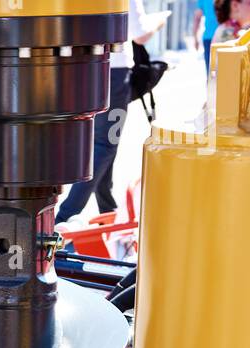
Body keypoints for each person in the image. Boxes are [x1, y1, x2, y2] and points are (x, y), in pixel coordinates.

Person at [56, 0, 167, 224]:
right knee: (105, 144)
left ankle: (108, 210)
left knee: (100, 144)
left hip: (80, 68)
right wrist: (160, 20)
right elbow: (140, 34)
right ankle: (65, 218)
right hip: (113, 72)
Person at [193, 0, 219, 74]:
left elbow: (197, 18)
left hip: (209, 38)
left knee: (211, 72)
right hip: (225, 37)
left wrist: (195, 39)